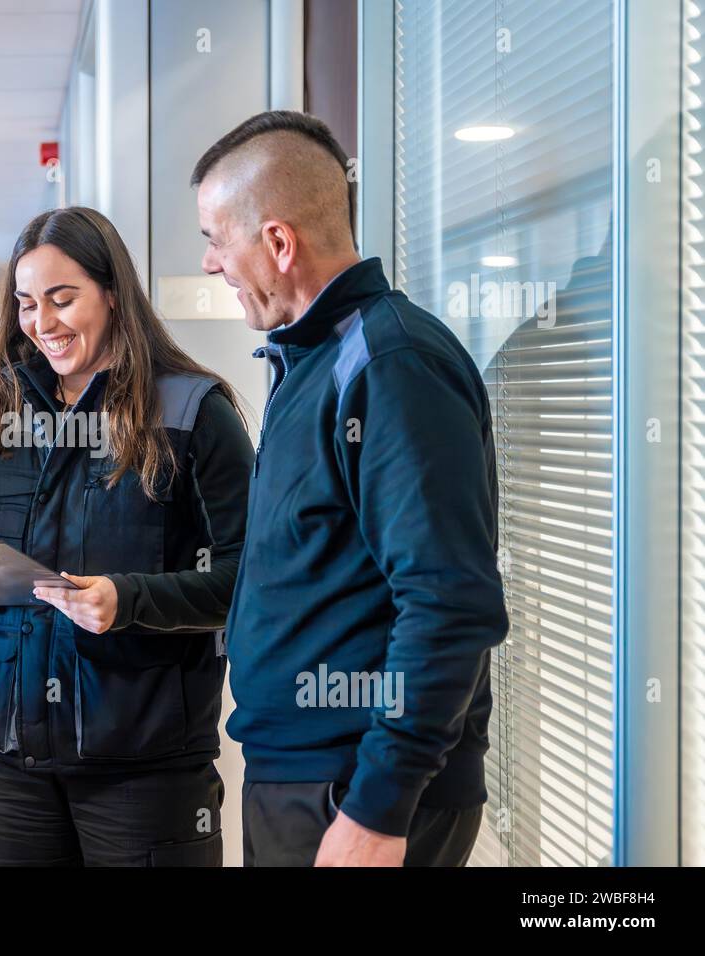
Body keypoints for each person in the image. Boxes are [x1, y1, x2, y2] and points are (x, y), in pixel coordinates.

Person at [192, 111, 509, 867]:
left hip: (354, 789)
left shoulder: (389, 365)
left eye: (215, 238)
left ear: (277, 241)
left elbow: (448, 603)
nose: (211, 264)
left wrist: (379, 805)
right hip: (310, 777)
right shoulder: (315, 364)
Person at [0, 206, 253, 866]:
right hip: (8, 759)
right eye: (27, 304)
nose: (42, 323)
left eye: (62, 299)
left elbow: (249, 581)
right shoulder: (1, 412)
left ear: (113, 294)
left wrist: (130, 599)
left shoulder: (194, 413)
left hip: (145, 766)